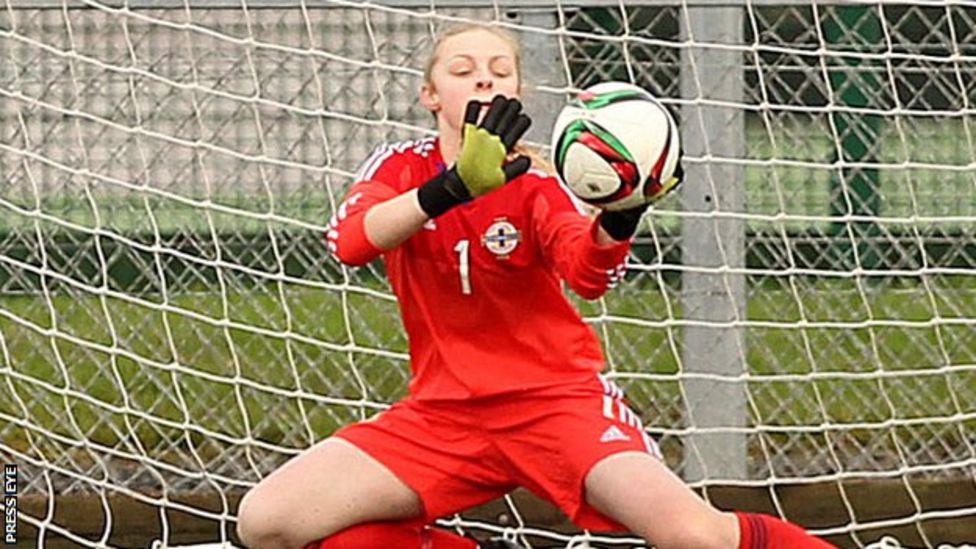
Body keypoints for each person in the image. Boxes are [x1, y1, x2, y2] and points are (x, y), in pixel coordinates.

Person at [235, 23, 836, 549]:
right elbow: (349, 242)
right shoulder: (401, 168)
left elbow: (588, 274)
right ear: (430, 95)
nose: (483, 78)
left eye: (501, 71)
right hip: (443, 416)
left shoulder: (539, 181)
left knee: (693, 536)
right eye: (462, 69)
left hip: (556, 404)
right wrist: (452, 189)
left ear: (517, 93)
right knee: (269, 523)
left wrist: (622, 215)